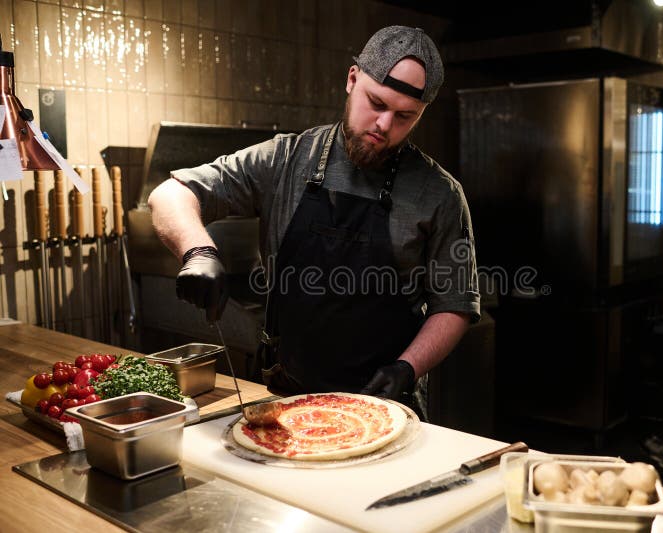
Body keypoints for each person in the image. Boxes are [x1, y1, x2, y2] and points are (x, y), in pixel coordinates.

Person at [148, 26, 480, 410]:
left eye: (405, 116)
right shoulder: (285, 160)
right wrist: (198, 252)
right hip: (286, 399)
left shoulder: (439, 194)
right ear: (352, 79)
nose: (384, 126)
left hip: (387, 404)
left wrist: (407, 368)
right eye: (376, 103)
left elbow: (454, 304)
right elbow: (170, 193)